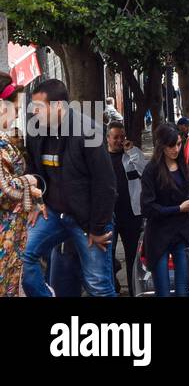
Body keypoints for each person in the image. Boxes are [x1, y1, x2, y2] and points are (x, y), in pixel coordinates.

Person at [21, 79, 117, 298]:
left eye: (39, 107)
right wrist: (37, 202)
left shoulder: (89, 131)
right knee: (23, 257)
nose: (35, 112)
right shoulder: (36, 132)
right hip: (53, 213)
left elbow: (106, 184)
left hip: (89, 218)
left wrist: (98, 228)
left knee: (98, 285)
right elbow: (34, 169)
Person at [140, 124, 189, 297]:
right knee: (163, 291)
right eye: (171, 146)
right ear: (162, 146)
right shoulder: (151, 170)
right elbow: (148, 208)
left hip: (182, 233)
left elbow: (188, 192)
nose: (176, 149)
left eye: (179, 144)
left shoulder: (182, 166)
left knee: (184, 289)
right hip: (159, 235)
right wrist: (178, 208)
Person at [0, 73, 43, 297]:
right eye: (15, 108)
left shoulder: (8, 138)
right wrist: (28, 182)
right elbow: (3, 190)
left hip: (14, 232)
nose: (17, 113)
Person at [106, 122, 145, 296]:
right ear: (108, 138)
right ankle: (112, 289)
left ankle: (134, 291)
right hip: (108, 215)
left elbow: (144, 171)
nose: (120, 141)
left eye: (122, 137)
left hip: (131, 214)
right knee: (108, 257)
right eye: (116, 137)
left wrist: (131, 151)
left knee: (132, 257)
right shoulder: (101, 157)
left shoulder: (133, 154)